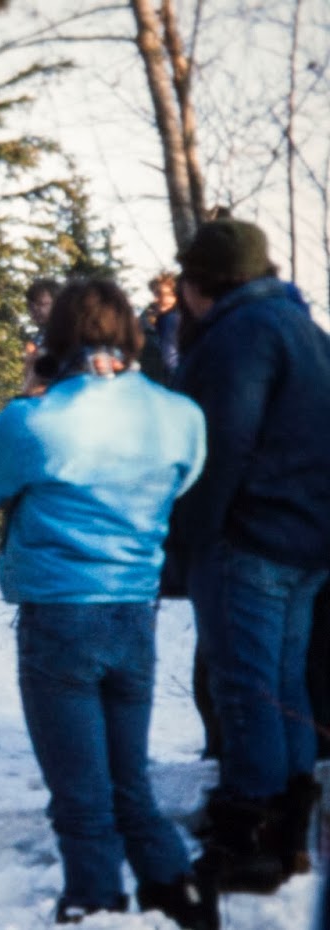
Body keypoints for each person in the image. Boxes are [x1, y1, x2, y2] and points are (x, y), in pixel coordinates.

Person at [0, 278, 213, 928]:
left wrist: (29, 392)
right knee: (129, 780)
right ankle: (178, 892)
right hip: (135, 609)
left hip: (59, 615)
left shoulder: (34, 419)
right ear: (130, 335)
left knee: (80, 791)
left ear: (55, 340)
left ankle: (94, 901)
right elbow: (186, 479)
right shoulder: (178, 416)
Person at [166, 217, 330, 895]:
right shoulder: (304, 330)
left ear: (200, 283)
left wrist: (193, 538)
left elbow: (220, 448)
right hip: (305, 539)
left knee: (247, 690)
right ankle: (290, 826)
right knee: (283, 685)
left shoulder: (241, 335)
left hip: (252, 539)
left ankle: (252, 839)